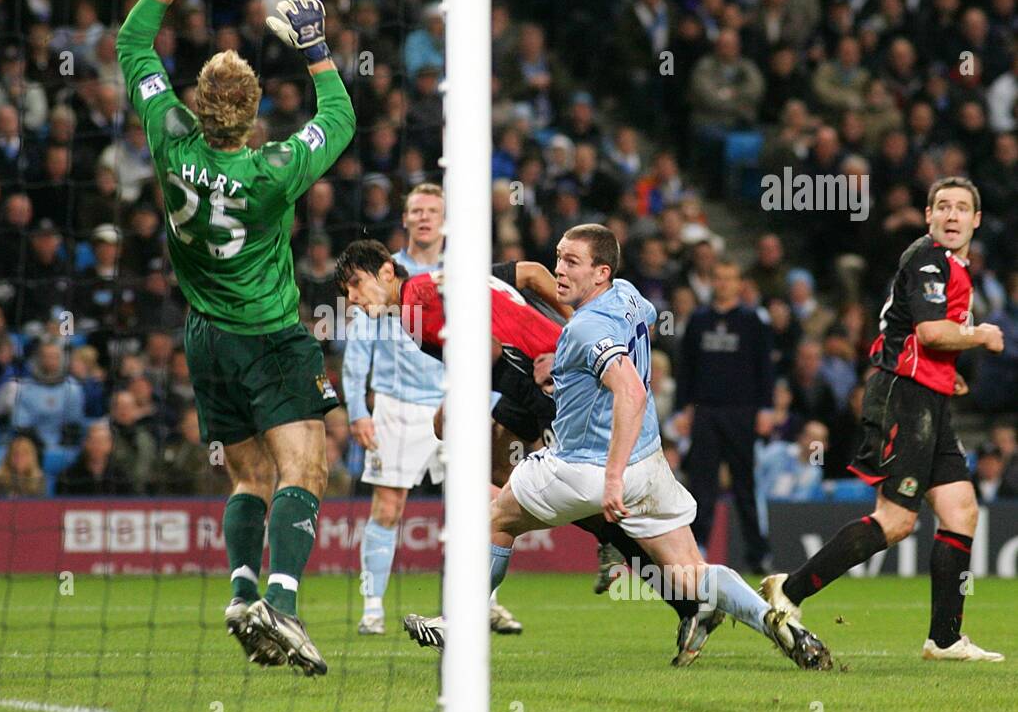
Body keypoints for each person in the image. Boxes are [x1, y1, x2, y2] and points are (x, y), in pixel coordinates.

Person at [408, 225, 832, 670]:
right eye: (558, 257)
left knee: (494, 521)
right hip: (648, 466)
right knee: (693, 573)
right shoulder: (629, 295)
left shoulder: (585, 329)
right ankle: (782, 626)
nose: (559, 270)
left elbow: (630, 390)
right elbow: (640, 329)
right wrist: (571, 368)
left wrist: (609, 473)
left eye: (573, 262)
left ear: (601, 272)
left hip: (583, 469)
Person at [116, 0, 354, 676]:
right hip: (269, 335)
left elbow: (131, 45)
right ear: (251, 116)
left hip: (204, 336)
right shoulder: (272, 169)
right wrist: (314, 47)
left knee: (248, 474)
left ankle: (243, 591)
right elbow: (340, 119)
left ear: (196, 102)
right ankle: (281, 609)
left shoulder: (168, 135)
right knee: (307, 469)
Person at [761, 178, 1006, 662]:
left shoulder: (951, 265)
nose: (953, 216)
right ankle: (788, 590)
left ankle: (945, 638)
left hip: (929, 397)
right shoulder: (929, 258)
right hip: (904, 398)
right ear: (929, 214)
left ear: (976, 220)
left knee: (961, 510)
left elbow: (913, 334)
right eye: (943, 207)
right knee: (896, 521)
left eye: (962, 208)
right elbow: (932, 331)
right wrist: (981, 335)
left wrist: (948, 377)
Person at [340, 184, 448, 636]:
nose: (424, 217)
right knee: (387, 507)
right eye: (415, 210)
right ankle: (372, 607)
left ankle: (486, 601)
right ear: (404, 219)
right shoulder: (379, 278)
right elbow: (357, 347)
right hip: (395, 407)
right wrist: (355, 409)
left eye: (432, 210)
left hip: (452, 403)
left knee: (480, 506)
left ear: (446, 219)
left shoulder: (458, 273)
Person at [678, 260, 776, 572]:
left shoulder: (753, 321)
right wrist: (683, 409)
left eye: (729, 278)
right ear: (712, 282)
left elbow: (765, 368)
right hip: (705, 411)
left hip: (742, 411)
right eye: (718, 278)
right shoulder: (698, 320)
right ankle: (696, 549)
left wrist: (766, 408)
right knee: (700, 483)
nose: (723, 284)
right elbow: (686, 369)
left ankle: (757, 554)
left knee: (745, 485)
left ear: (738, 283)